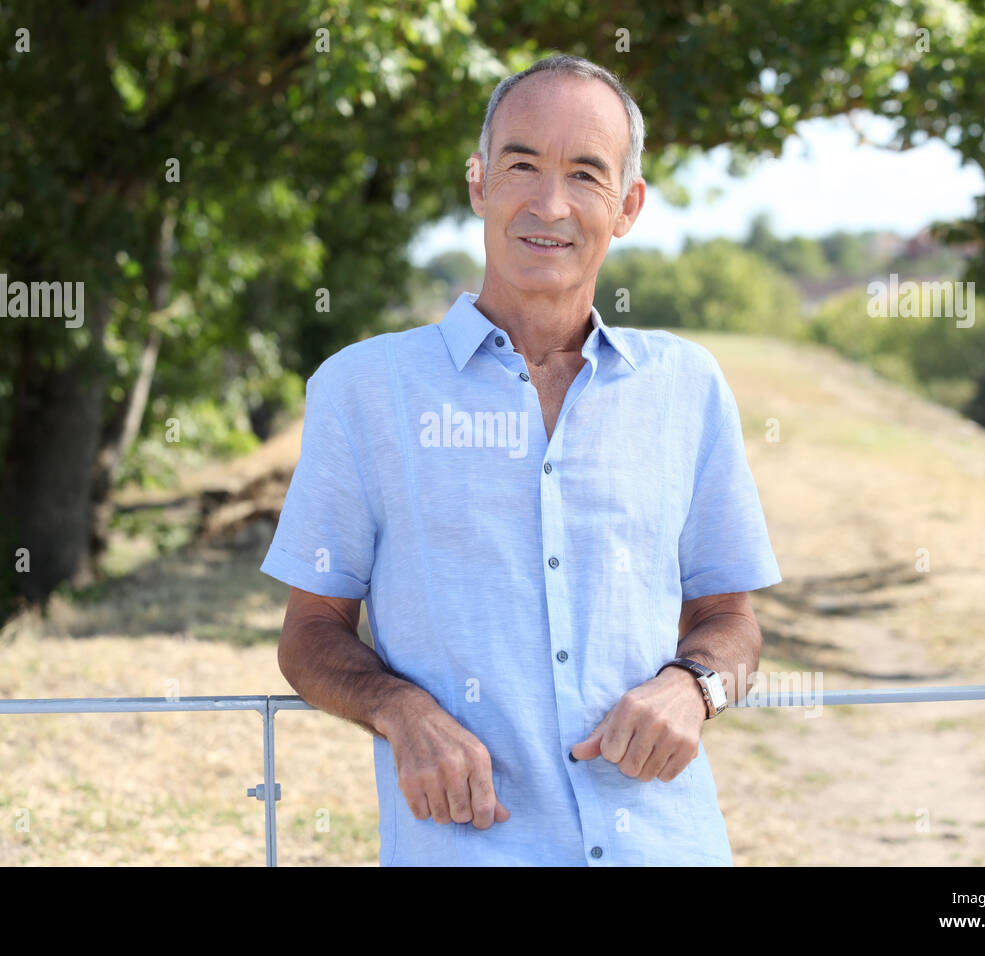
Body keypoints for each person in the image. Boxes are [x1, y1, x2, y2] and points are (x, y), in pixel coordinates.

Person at [260, 53, 782, 865]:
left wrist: (695, 687)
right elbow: (309, 635)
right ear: (478, 184)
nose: (549, 204)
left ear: (629, 205)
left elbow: (731, 621)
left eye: (585, 174)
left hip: (667, 846)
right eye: (521, 164)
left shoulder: (687, 386)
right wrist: (402, 712)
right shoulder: (364, 390)